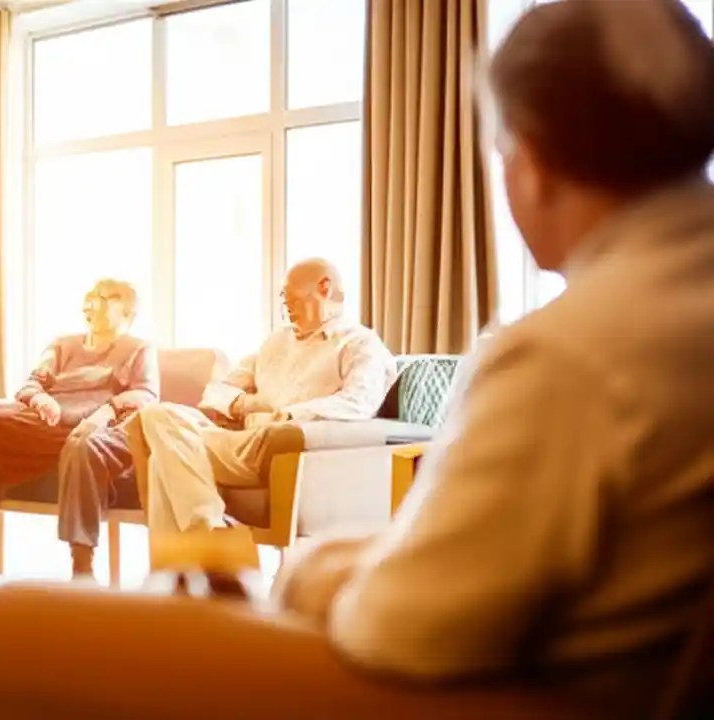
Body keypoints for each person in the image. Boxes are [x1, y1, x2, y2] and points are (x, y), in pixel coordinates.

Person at [274, 1, 714, 715]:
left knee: (32, 627)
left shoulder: (565, 358)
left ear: (532, 162)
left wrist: (306, 573)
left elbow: (404, 629)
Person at [0, 279, 159, 600]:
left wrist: (106, 410)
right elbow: (31, 383)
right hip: (43, 427)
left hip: (91, 431)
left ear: (128, 310)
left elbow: (146, 395)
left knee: (80, 444)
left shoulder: (138, 350)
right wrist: (40, 399)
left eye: (104, 298)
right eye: (90, 297)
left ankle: (82, 572)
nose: (92, 303)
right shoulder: (62, 345)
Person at [130, 259, 397, 535]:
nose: (284, 303)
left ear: (324, 287)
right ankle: (208, 531)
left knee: (163, 456)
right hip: (239, 439)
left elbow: (359, 401)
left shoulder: (359, 342)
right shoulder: (277, 341)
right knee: (157, 416)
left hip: (276, 445)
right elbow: (218, 389)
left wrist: (290, 414)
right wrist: (244, 404)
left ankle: (193, 559)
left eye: (288, 293)